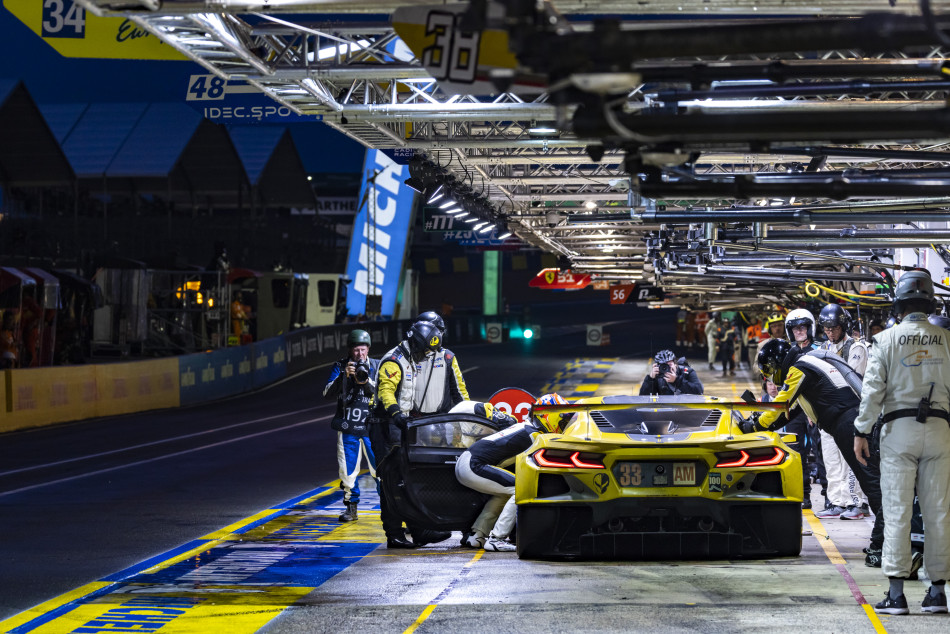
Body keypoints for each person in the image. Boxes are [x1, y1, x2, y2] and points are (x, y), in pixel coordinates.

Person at [853, 270, 950, 615]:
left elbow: (873, 391)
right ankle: (937, 594)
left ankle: (896, 595)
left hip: (899, 431)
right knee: (939, 512)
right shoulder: (946, 339)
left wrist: (862, 431)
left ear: (899, 305)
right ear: (929, 303)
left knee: (897, 512)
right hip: (940, 431)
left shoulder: (886, 341)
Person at [749, 338, 885, 565]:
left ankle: (885, 546)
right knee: (875, 481)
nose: (772, 376)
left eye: (771, 369)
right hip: (856, 419)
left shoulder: (799, 369)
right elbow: (787, 412)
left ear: (778, 362)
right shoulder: (810, 361)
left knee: (872, 483)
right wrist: (764, 422)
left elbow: (781, 404)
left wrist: (753, 426)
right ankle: (889, 542)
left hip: (848, 424)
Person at [371, 320, 464, 548]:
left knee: (407, 478)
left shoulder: (413, 357)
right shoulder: (394, 361)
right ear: (415, 343)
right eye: (425, 350)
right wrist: (395, 414)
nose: (427, 355)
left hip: (402, 424)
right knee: (392, 481)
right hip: (385, 425)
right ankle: (393, 534)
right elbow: (386, 390)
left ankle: (419, 530)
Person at [456, 394, 571, 552]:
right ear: (550, 417)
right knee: (520, 489)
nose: (564, 425)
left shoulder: (527, 428)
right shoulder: (534, 435)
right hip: (473, 464)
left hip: (467, 463)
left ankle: (477, 535)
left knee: (504, 493)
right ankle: (497, 538)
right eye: (562, 420)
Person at [817, 303, 871, 520]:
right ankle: (837, 501)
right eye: (827, 329)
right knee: (831, 459)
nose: (830, 332)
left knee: (850, 459)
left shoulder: (856, 348)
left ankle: (857, 502)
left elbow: (852, 381)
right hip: (828, 412)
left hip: (849, 411)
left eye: (834, 328)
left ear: (844, 326)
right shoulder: (823, 349)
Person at [324, 329, 379, 523]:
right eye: (356, 350)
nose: (359, 354)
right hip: (348, 426)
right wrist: (344, 377)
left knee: (380, 469)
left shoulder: (378, 366)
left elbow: (382, 394)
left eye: (363, 350)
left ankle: (389, 508)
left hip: (372, 427)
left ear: (368, 349)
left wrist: (365, 381)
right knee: (347, 470)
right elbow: (326, 393)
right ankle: (351, 508)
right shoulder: (340, 366)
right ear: (350, 350)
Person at [639, 349, 703, 395]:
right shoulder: (657, 377)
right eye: (663, 366)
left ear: (675, 364)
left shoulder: (687, 372)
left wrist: (677, 381)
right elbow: (643, 397)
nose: (667, 368)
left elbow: (699, 391)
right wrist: (650, 379)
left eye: (669, 365)